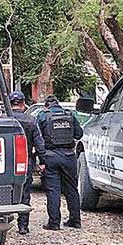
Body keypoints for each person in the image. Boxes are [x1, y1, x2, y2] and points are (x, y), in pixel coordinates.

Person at [36, 95, 83, 230]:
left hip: (50, 156)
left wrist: (41, 158)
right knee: (72, 189)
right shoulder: (69, 114)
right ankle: (75, 220)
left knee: (53, 190)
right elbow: (79, 134)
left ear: (46, 105)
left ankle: (54, 223)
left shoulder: (43, 116)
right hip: (69, 156)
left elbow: (38, 138)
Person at [9, 91, 46, 235]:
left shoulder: (3, 119)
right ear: (23, 103)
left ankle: (2, 221)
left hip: (5, 162)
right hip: (25, 161)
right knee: (25, 192)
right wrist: (42, 161)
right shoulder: (31, 120)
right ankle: (23, 226)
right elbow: (39, 144)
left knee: (4, 191)